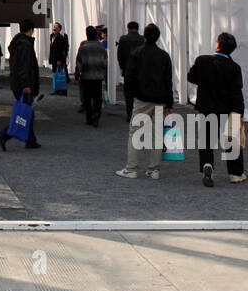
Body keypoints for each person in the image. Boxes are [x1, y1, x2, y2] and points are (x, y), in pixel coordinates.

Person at [188, 32, 247, 186]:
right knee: (232, 141)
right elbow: (237, 92)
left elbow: (191, 77)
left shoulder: (202, 61)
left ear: (217, 44)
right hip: (228, 109)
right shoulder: (234, 68)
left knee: (206, 140)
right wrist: (240, 113)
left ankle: (207, 165)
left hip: (206, 107)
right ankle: (235, 173)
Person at [116, 23, 173, 180]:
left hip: (142, 98)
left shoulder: (137, 53)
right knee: (158, 134)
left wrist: (133, 93)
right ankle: (154, 169)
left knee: (135, 131)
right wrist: (169, 104)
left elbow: (129, 77)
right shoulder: (164, 56)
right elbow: (168, 81)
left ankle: (131, 168)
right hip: (161, 98)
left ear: (144, 36)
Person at [0, 18, 41, 150]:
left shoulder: (17, 43)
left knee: (27, 112)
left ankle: (30, 140)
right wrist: (26, 85)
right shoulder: (25, 45)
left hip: (18, 84)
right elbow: (24, 67)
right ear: (31, 30)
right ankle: (5, 134)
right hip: (24, 85)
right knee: (25, 114)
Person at [74, 25, 108, 127]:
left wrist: (77, 76)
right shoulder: (101, 47)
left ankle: (89, 118)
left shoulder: (83, 48)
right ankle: (96, 114)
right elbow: (105, 63)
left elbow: (79, 63)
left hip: (86, 76)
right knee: (97, 97)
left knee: (87, 98)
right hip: (98, 76)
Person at [116, 21, 144, 118]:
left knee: (128, 94)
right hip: (140, 71)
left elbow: (119, 55)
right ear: (138, 28)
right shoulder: (142, 39)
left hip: (128, 70)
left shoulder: (123, 39)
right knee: (139, 93)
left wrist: (123, 67)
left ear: (128, 28)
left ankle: (130, 114)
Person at [49, 23, 69, 96]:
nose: (54, 28)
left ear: (59, 29)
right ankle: (57, 89)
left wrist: (60, 60)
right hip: (54, 59)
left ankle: (62, 90)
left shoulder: (60, 37)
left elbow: (61, 50)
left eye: (55, 27)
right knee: (55, 74)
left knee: (60, 74)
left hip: (58, 59)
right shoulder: (52, 36)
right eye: (53, 27)